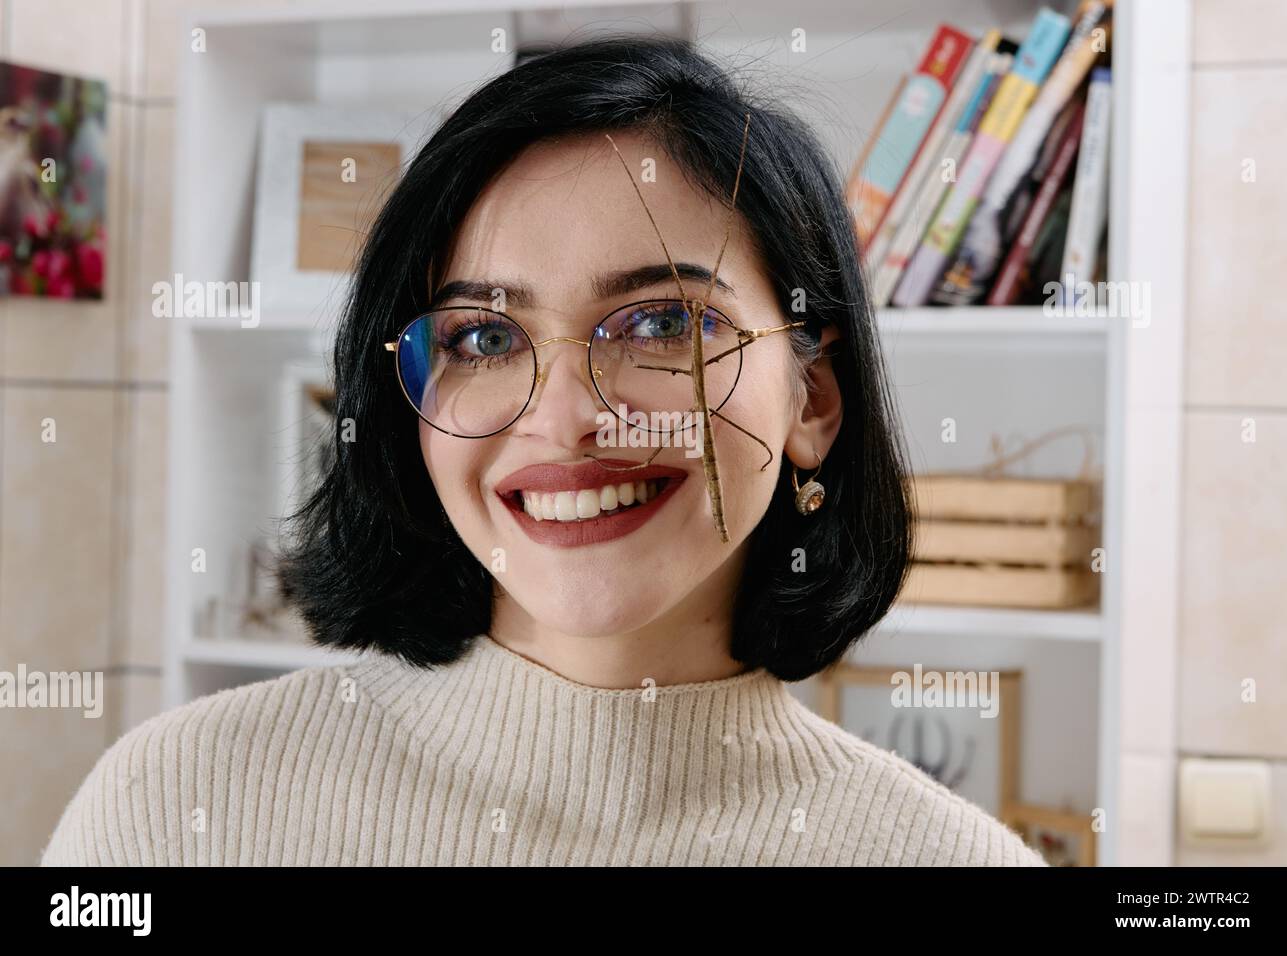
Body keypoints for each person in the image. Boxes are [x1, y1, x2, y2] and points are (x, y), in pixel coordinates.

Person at [42, 36, 1045, 866]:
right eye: (483, 336)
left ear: (812, 398)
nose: (565, 417)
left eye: (658, 322)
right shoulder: (176, 806)